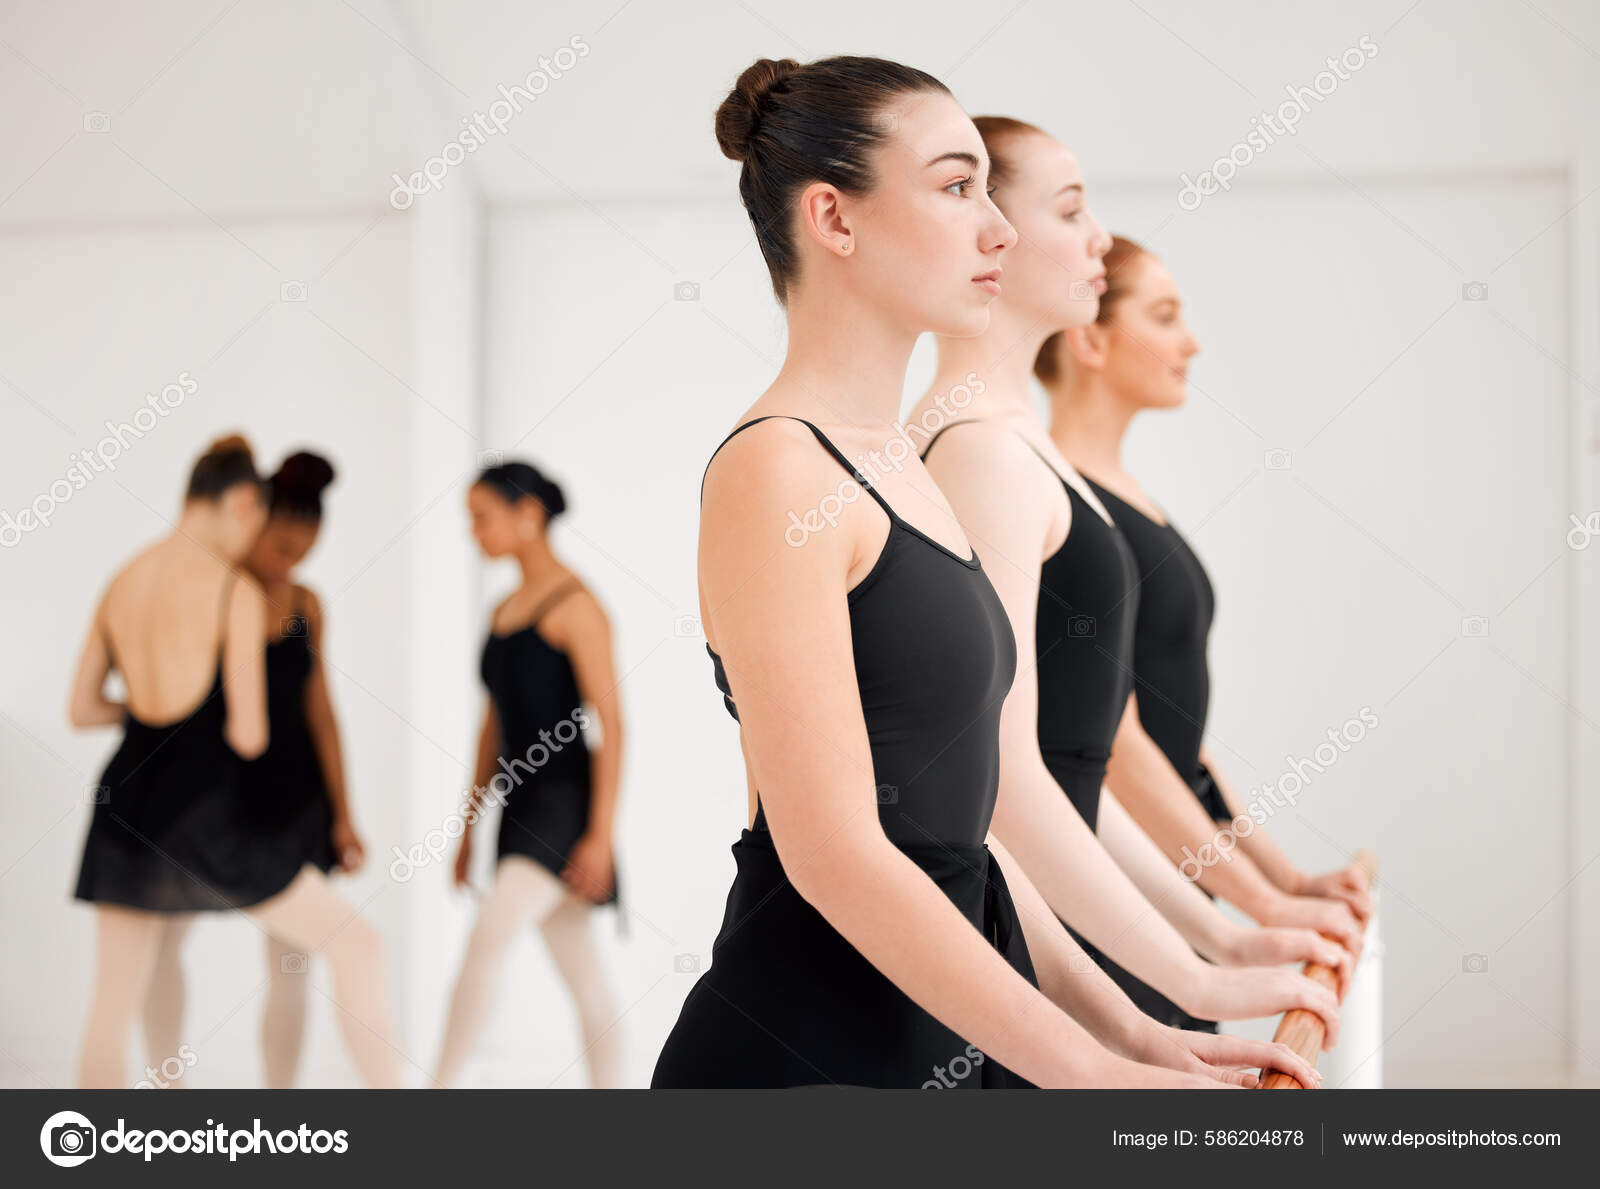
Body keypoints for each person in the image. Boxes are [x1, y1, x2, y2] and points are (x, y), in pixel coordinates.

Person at [650, 57, 1323, 1089]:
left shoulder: (894, 469)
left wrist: (1139, 1033)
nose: (997, 229)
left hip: (935, 1044)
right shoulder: (776, 469)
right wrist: (1098, 1071)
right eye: (958, 187)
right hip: (806, 1056)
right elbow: (836, 855)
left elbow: (970, 833)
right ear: (834, 219)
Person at [908, 122, 1363, 1036]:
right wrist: (1200, 961)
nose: (1102, 241)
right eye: (1073, 211)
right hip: (1036, 926)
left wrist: (1225, 932)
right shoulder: (979, 454)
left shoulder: (1014, 447)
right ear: (990, 233)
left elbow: (1086, 763)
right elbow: (1006, 780)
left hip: (1077, 906)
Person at [1044, 235, 1373, 930]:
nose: (1190, 343)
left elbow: (1176, 739)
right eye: (1163, 316)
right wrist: (1264, 904)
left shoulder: (1127, 497)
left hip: (1173, 871)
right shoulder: (1060, 505)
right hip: (1116, 887)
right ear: (1089, 340)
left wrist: (1284, 880)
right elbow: (1115, 748)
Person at [69, 435, 398, 1088]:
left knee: (112, 999)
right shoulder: (230, 591)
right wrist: (202, 717)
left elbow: (81, 709)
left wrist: (151, 709)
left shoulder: (125, 576)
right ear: (246, 503)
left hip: (129, 802)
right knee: (357, 946)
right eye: (268, 527)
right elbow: (249, 736)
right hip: (210, 812)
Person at [433, 461, 623, 1089]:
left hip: (564, 808)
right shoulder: (502, 612)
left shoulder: (577, 606)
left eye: (482, 518)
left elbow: (614, 729)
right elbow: (491, 732)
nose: (474, 532)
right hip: (519, 808)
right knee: (582, 970)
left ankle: (435, 1091)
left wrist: (599, 838)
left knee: (487, 941)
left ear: (528, 516)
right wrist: (466, 829)